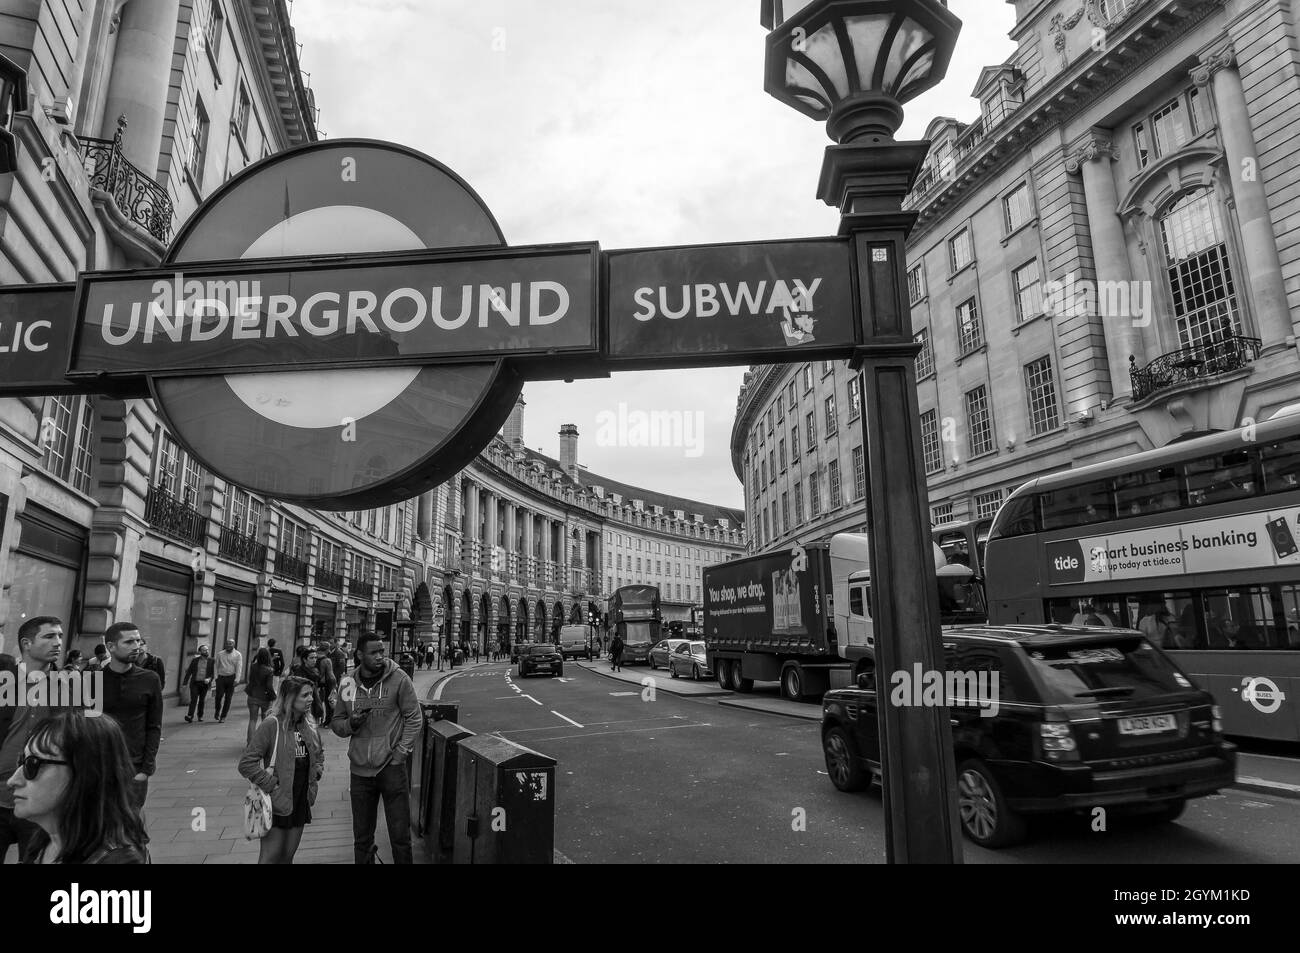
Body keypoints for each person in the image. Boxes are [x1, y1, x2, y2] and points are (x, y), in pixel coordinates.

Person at [9, 711, 150, 864]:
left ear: (86, 773)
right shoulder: (45, 841)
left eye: (33, 764)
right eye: (21, 762)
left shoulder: (117, 860)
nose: (13, 780)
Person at [331, 632, 422, 864]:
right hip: (360, 770)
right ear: (360, 654)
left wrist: (401, 753)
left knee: (400, 837)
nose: (380, 656)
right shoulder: (348, 683)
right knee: (362, 838)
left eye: (382, 651)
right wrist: (351, 724)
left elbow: (414, 717)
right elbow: (337, 722)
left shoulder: (399, 679)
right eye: (374, 652)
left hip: (391, 768)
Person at [238, 676, 324, 864]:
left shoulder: (308, 724)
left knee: (287, 857)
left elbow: (318, 752)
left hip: (301, 800)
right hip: (276, 802)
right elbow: (246, 763)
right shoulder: (272, 724)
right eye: (305, 695)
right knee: (270, 858)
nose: (311, 699)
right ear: (290, 698)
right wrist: (272, 785)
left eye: (312, 694)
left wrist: (317, 770)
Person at [0, 616, 64, 863]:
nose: (57, 642)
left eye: (59, 635)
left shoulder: (70, 687)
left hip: (41, 800)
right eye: (49, 636)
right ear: (26, 643)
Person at [100, 622, 163, 814]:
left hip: (134, 765)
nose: (137, 646)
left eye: (138, 640)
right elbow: (85, 727)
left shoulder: (150, 679)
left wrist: (146, 769)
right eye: (129, 642)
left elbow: (154, 725)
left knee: (132, 821)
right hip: (100, 765)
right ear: (111, 647)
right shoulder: (92, 680)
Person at [245, 648, 276, 746]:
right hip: (264, 697)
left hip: (252, 695)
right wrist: (273, 696)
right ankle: (264, 742)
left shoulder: (253, 666)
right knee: (265, 720)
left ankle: (250, 743)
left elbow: (250, 679)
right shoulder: (269, 670)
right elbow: (269, 686)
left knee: (252, 720)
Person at [290, 646, 324, 721]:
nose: (314, 660)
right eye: (311, 658)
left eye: (315, 658)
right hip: (303, 704)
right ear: (304, 660)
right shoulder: (299, 672)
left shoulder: (315, 671)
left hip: (314, 701)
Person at [214, 638, 244, 724]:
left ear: (234, 645)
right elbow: (216, 665)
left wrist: (237, 679)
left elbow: (239, 667)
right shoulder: (220, 654)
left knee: (228, 698)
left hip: (231, 678)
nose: (228, 645)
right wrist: (216, 677)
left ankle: (223, 716)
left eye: (230, 643)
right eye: (227, 643)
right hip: (221, 677)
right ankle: (217, 710)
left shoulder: (238, 655)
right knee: (218, 696)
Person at [183, 645, 216, 723]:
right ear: (200, 652)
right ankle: (190, 716)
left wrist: (209, 679)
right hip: (195, 683)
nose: (206, 651)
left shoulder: (212, 661)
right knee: (193, 699)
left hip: (204, 684)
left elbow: (213, 673)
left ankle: (200, 716)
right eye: (204, 650)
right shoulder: (195, 660)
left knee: (202, 700)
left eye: (207, 650)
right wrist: (185, 683)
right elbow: (189, 672)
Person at [317, 648, 338, 724]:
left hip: (328, 682)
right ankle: (330, 720)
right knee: (331, 701)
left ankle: (328, 721)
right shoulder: (327, 660)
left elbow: (321, 674)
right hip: (332, 681)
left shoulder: (323, 661)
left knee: (328, 702)